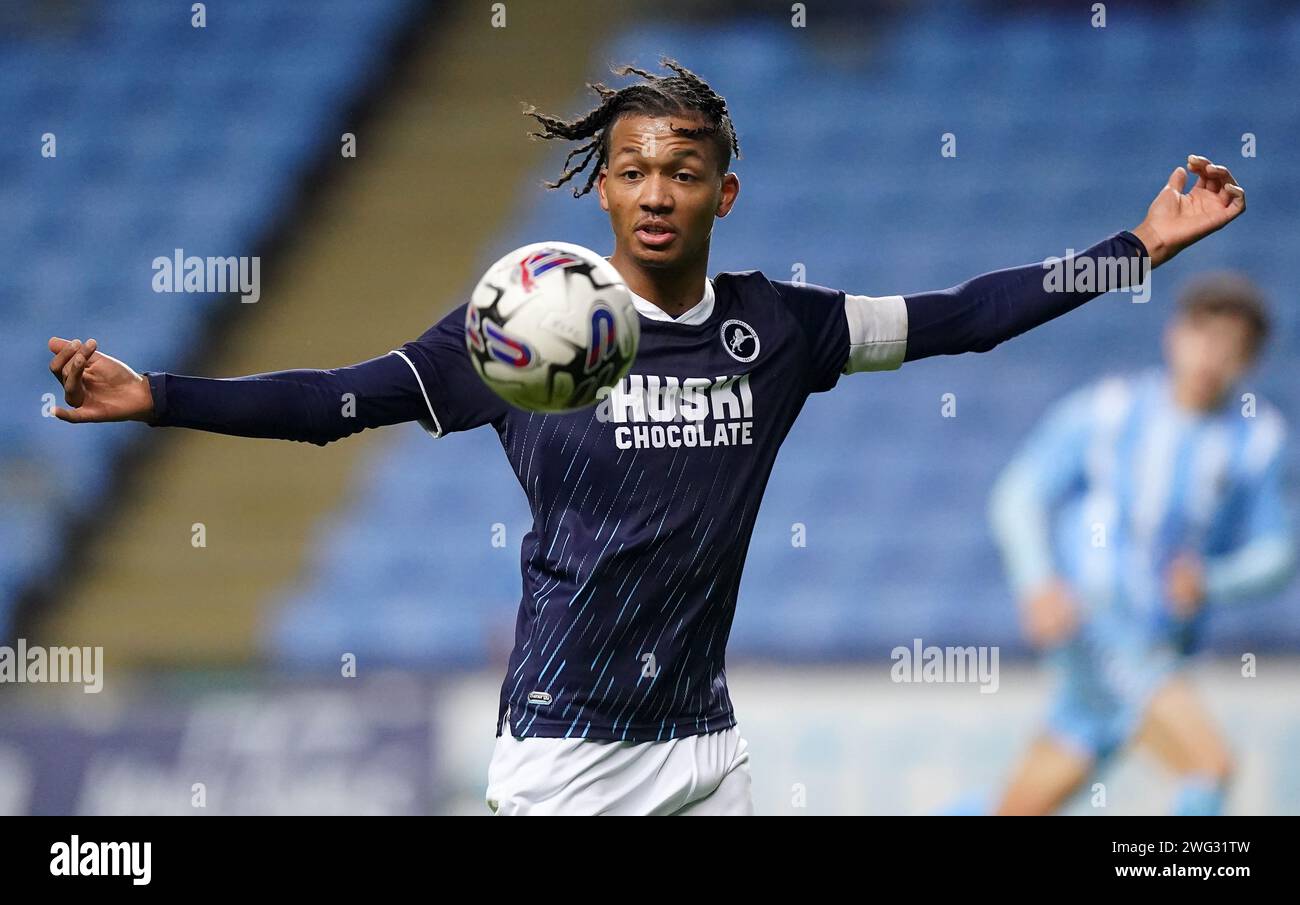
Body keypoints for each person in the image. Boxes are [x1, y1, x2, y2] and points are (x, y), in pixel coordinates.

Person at [46, 58, 1247, 815]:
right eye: (631, 170)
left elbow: (966, 320)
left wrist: (1132, 248)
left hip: (699, 745)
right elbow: (336, 402)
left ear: (724, 190)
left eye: (683, 169)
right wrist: (160, 394)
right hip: (563, 753)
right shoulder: (517, 323)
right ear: (602, 191)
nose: (657, 190)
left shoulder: (781, 328)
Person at [989, 273, 1293, 815]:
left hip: (1160, 642)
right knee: (1209, 765)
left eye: (1232, 347)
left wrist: (1212, 581)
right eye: (1204, 336)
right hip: (1098, 624)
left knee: (1018, 809)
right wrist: (1037, 582)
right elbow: (1019, 494)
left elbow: (1279, 555)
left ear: (1249, 361)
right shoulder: (1109, 410)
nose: (1211, 357)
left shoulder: (1258, 440)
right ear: (1175, 336)